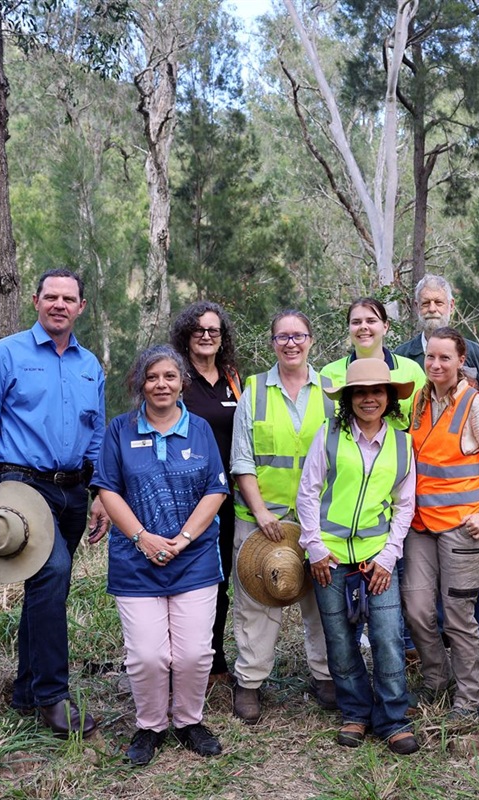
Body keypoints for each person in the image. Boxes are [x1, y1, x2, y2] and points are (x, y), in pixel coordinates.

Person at [0, 268, 106, 739]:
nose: (59, 304)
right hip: (22, 486)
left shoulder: (91, 365)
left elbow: (98, 434)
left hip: (73, 491)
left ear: (81, 307)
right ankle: (52, 698)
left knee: (46, 590)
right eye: (51, 297)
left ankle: (24, 691)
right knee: (54, 572)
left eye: (69, 298)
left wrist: (100, 491)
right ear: (36, 302)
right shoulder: (4, 356)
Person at [92, 345, 228, 766]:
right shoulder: (120, 429)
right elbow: (108, 489)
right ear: (140, 383)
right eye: (152, 377)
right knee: (149, 655)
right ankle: (150, 725)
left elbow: (216, 489)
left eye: (170, 376)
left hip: (195, 557)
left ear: (182, 382)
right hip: (136, 559)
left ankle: (189, 721)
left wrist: (183, 539)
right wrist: (143, 539)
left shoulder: (201, 429)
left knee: (192, 654)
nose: (161, 384)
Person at [297, 359, 420, 756]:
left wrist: (388, 557)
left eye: (377, 391)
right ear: (349, 399)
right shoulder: (329, 436)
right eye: (361, 392)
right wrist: (315, 548)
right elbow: (308, 492)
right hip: (329, 557)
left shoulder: (402, 443)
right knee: (339, 637)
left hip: (377, 556)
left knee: (386, 636)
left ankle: (393, 718)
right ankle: (355, 711)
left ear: (389, 398)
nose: (369, 398)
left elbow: (405, 506)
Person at [229, 310, 335, 723]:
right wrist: (260, 513)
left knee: (321, 600)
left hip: (318, 518)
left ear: (311, 340)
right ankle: (250, 682)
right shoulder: (253, 391)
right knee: (258, 602)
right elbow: (242, 460)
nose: (291, 343)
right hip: (261, 519)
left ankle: (326, 675)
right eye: (282, 337)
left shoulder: (331, 390)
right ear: (271, 342)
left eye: (299, 335)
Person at [402, 328, 479, 717]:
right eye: (430, 357)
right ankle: (436, 678)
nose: (435, 365)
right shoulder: (418, 401)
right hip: (420, 525)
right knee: (416, 609)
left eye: (444, 358)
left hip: (464, 528)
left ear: (461, 360)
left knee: (458, 615)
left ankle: (469, 699)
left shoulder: (477, 407)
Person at [170, 301, 242, 683]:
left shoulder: (232, 378)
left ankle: (213, 662)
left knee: (219, 580)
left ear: (222, 337)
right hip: (183, 495)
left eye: (214, 330)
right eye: (198, 329)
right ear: (186, 334)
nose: (206, 335)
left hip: (228, 497)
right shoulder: (176, 378)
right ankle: (177, 661)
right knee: (184, 577)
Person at [321, 297, 426, 426]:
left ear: (385, 326)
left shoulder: (411, 370)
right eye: (356, 322)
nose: (363, 327)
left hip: (399, 445)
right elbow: (324, 423)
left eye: (371, 321)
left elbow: (422, 423)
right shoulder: (329, 373)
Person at [394, 274, 479, 397]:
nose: (432, 309)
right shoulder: (402, 356)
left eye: (438, 302)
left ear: (451, 306)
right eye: (425, 303)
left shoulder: (474, 353)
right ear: (417, 307)